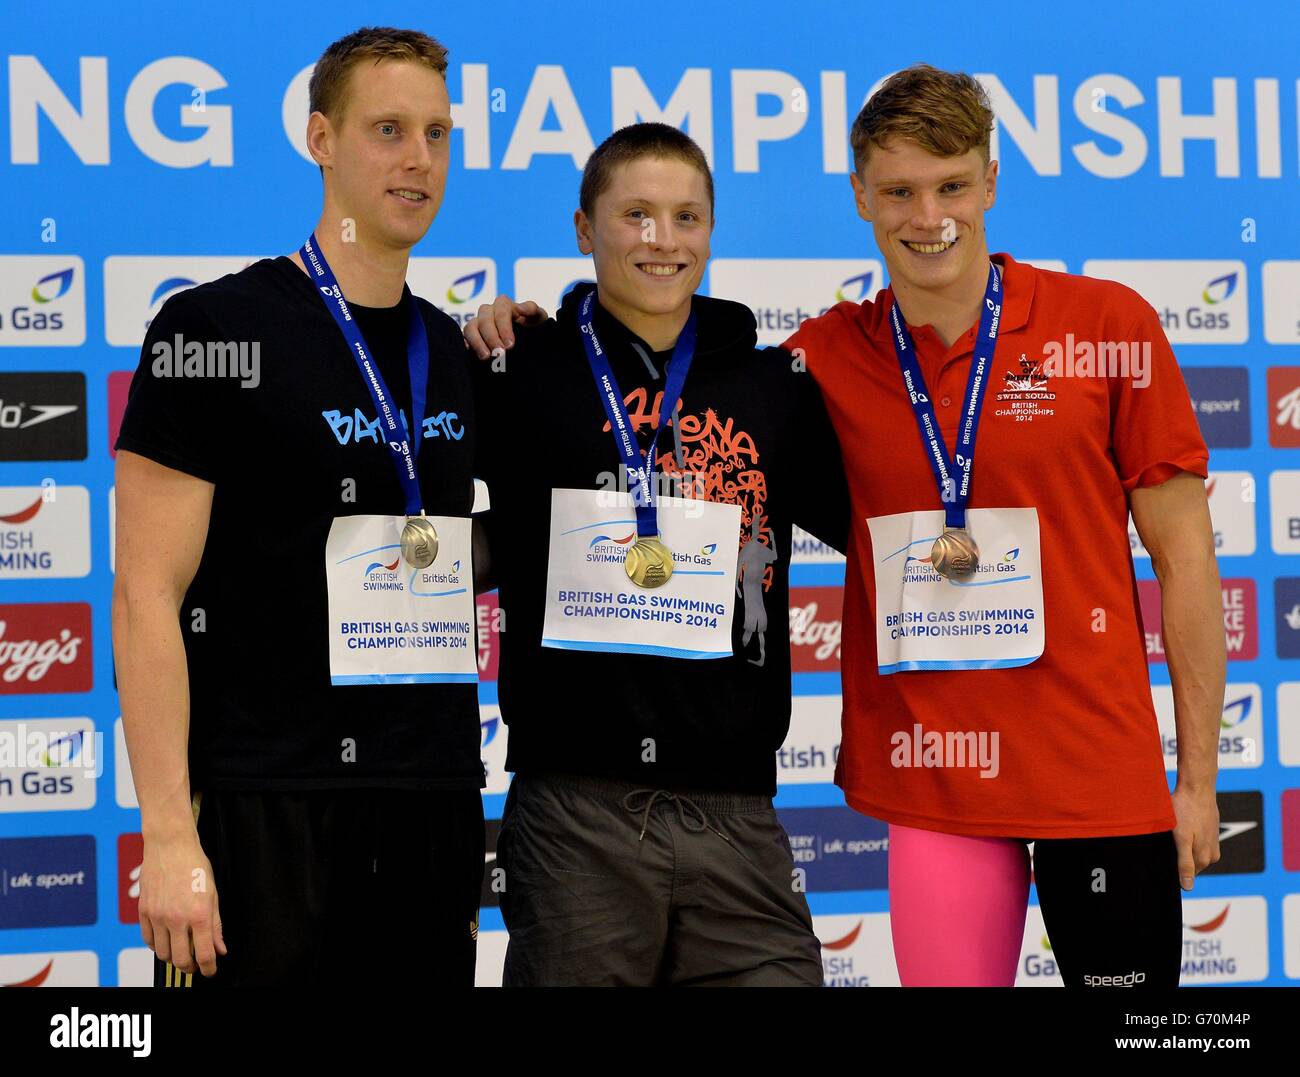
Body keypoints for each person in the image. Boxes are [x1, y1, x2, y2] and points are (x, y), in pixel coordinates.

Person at [783, 64, 1224, 987]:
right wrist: (534, 332)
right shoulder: (821, 356)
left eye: (951, 186)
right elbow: (679, 407)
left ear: (990, 182)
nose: (927, 215)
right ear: (859, 194)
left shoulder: (1107, 323)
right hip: (938, 783)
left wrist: (1195, 780)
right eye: (898, 190)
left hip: (1098, 776)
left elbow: (1187, 560)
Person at [113, 26, 485, 987]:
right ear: (320, 138)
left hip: (429, 802)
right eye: (389, 129)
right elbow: (146, 593)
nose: (420, 160)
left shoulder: (451, 351)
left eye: (438, 134)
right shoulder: (212, 328)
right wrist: (166, 835)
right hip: (264, 808)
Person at [465, 122, 848, 986]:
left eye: (685, 217)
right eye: (635, 214)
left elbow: (880, 527)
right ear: (583, 228)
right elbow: (428, 527)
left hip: (740, 814)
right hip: (575, 816)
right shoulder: (517, 370)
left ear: (711, 230)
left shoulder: (771, 385)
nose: (661, 239)